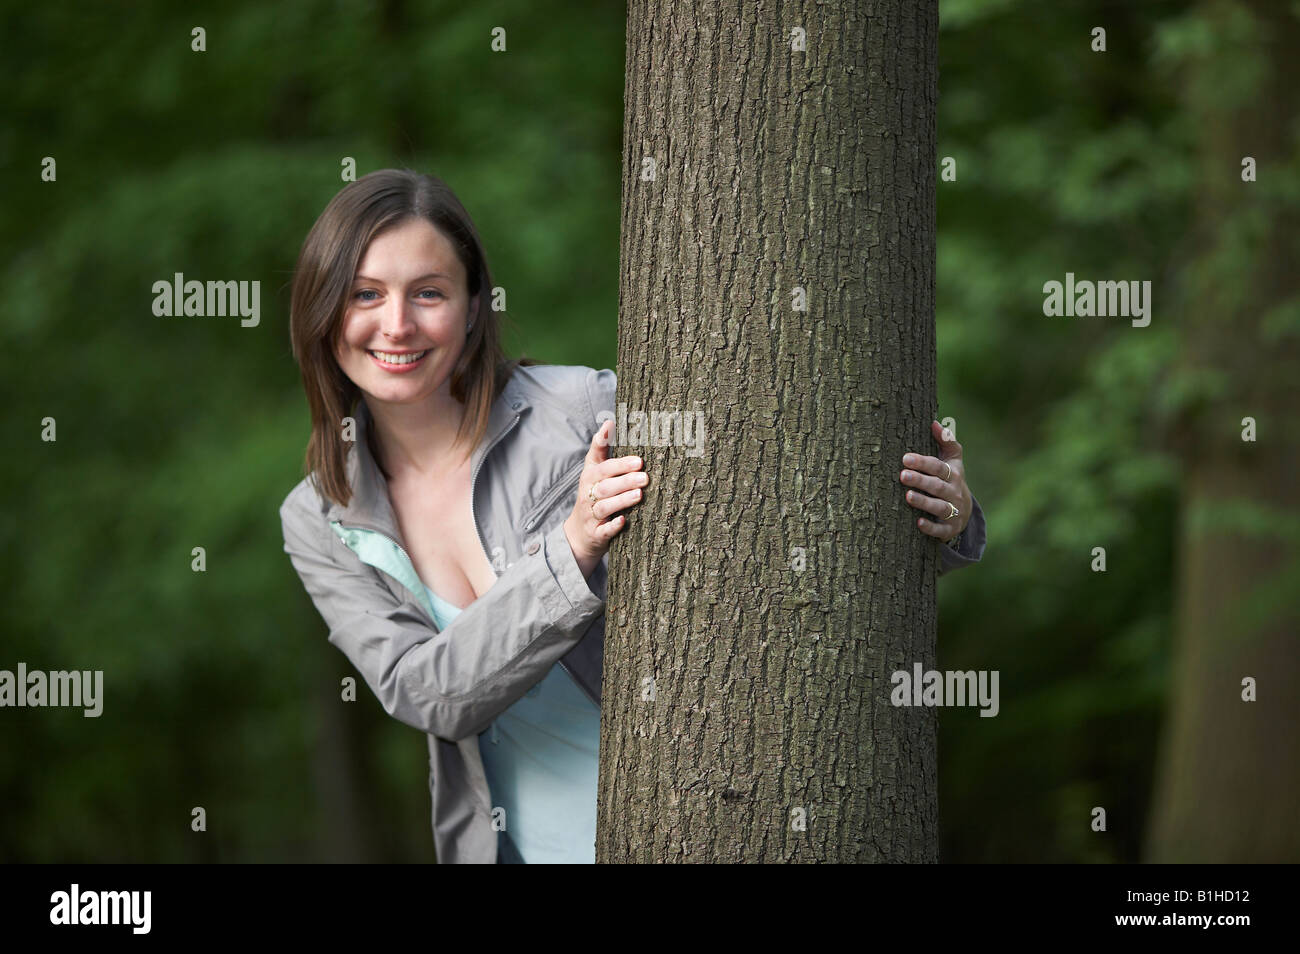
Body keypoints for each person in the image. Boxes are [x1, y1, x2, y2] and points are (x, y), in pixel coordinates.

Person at [279, 168, 986, 864]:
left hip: (710, 830)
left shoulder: (581, 412)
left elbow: (774, 506)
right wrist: (572, 550)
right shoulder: (321, 515)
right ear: (323, 310)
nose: (396, 324)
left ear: (472, 308)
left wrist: (940, 522)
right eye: (364, 293)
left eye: (428, 292)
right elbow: (429, 693)